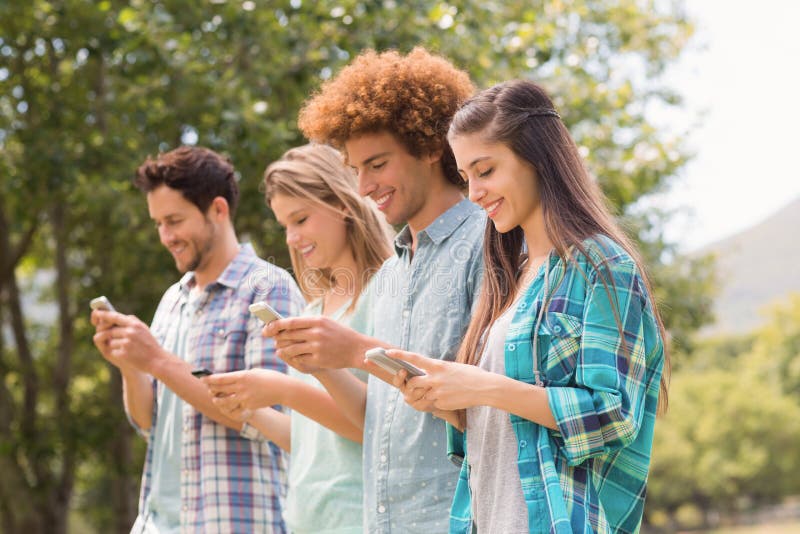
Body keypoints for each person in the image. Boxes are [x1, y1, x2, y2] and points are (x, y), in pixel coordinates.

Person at [389, 79, 669, 533]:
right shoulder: (507, 277)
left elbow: (614, 416)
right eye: (465, 177)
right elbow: (502, 429)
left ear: (537, 158)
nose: (474, 192)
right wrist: (445, 399)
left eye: (485, 170)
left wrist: (482, 386)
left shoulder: (602, 267)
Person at [262, 48, 483, 533]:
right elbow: (375, 421)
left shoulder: (488, 246)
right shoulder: (391, 277)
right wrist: (325, 364)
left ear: (429, 146)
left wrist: (359, 351)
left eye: (376, 164)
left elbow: (490, 406)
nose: (363, 186)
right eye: (355, 169)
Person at [91, 146, 305, 533]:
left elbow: (269, 420)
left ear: (217, 210)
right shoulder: (174, 299)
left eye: (174, 220)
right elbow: (148, 424)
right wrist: (130, 364)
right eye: (158, 223)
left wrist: (156, 359)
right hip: (157, 524)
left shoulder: (268, 289)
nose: (165, 236)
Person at [201, 143, 394, 534]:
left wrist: (284, 389)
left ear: (343, 203)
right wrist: (249, 406)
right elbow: (313, 443)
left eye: (301, 219)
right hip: (306, 520)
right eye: (284, 225)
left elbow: (379, 430)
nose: (291, 238)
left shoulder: (386, 291)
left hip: (360, 518)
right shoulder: (312, 311)